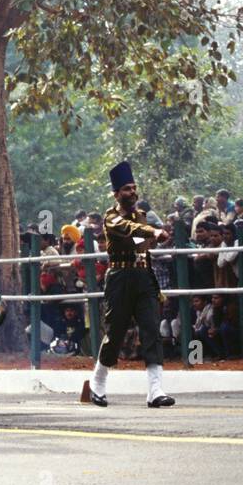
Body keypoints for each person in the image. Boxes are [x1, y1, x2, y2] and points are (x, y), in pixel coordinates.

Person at [85, 161, 175, 408]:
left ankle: (155, 390)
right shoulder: (111, 217)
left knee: (151, 329)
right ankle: (98, 382)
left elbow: (139, 242)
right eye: (126, 188)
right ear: (116, 194)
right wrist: (153, 232)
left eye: (134, 188)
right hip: (120, 278)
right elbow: (128, 230)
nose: (132, 192)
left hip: (144, 276)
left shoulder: (142, 217)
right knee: (115, 331)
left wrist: (155, 238)